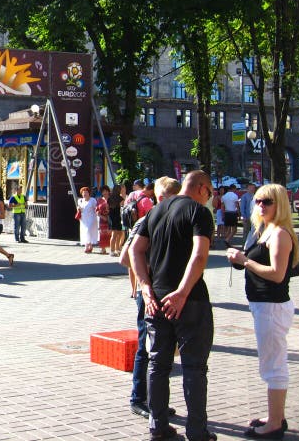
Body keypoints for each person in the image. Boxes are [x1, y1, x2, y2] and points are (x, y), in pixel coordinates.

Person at [130, 170, 216, 441]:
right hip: (189, 300)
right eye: (210, 192)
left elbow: (135, 250)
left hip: (156, 299)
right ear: (201, 188)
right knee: (194, 367)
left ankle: (158, 426)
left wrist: (145, 287)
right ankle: (197, 431)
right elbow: (199, 255)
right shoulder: (199, 212)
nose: (209, 198)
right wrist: (182, 292)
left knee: (158, 363)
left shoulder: (155, 211)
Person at [227, 184, 299, 439]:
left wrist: (245, 261)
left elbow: (277, 274)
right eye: (257, 201)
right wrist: (241, 260)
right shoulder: (264, 230)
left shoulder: (279, 233)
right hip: (264, 304)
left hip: (272, 305)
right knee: (271, 363)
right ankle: (275, 416)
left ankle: (275, 424)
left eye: (267, 201)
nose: (260, 206)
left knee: (273, 366)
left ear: (279, 204)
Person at [119, 176, 181, 422]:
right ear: (161, 198)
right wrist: (146, 277)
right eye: (175, 199)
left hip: (166, 292)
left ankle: (157, 401)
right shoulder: (146, 221)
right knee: (146, 346)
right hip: (148, 292)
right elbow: (125, 257)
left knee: (162, 348)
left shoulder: (174, 220)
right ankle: (138, 399)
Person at [77, 186, 99, 253]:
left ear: (89, 193)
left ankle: (88, 245)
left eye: (86, 192)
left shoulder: (92, 200)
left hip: (91, 218)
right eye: (83, 193)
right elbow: (79, 209)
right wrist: (78, 209)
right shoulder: (80, 200)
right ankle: (88, 246)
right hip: (83, 219)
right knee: (84, 232)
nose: (84, 194)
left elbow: (96, 208)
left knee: (88, 231)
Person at [107, 183, 125, 257]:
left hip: (111, 217)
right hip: (117, 217)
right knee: (118, 234)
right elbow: (123, 206)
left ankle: (114, 250)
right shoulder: (120, 198)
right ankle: (115, 250)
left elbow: (107, 208)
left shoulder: (109, 198)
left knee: (115, 234)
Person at [240, 183, 257, 248]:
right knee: (246, 231)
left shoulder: (255, 196)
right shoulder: (244, 196)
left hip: (254, 217)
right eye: (251, 187)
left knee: (254, 231)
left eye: (253, 188)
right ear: (247, 188)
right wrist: (243, 216)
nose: (252, 189)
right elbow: (242, 207)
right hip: (247, 217)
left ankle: (252, 245)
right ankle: (244, 244)